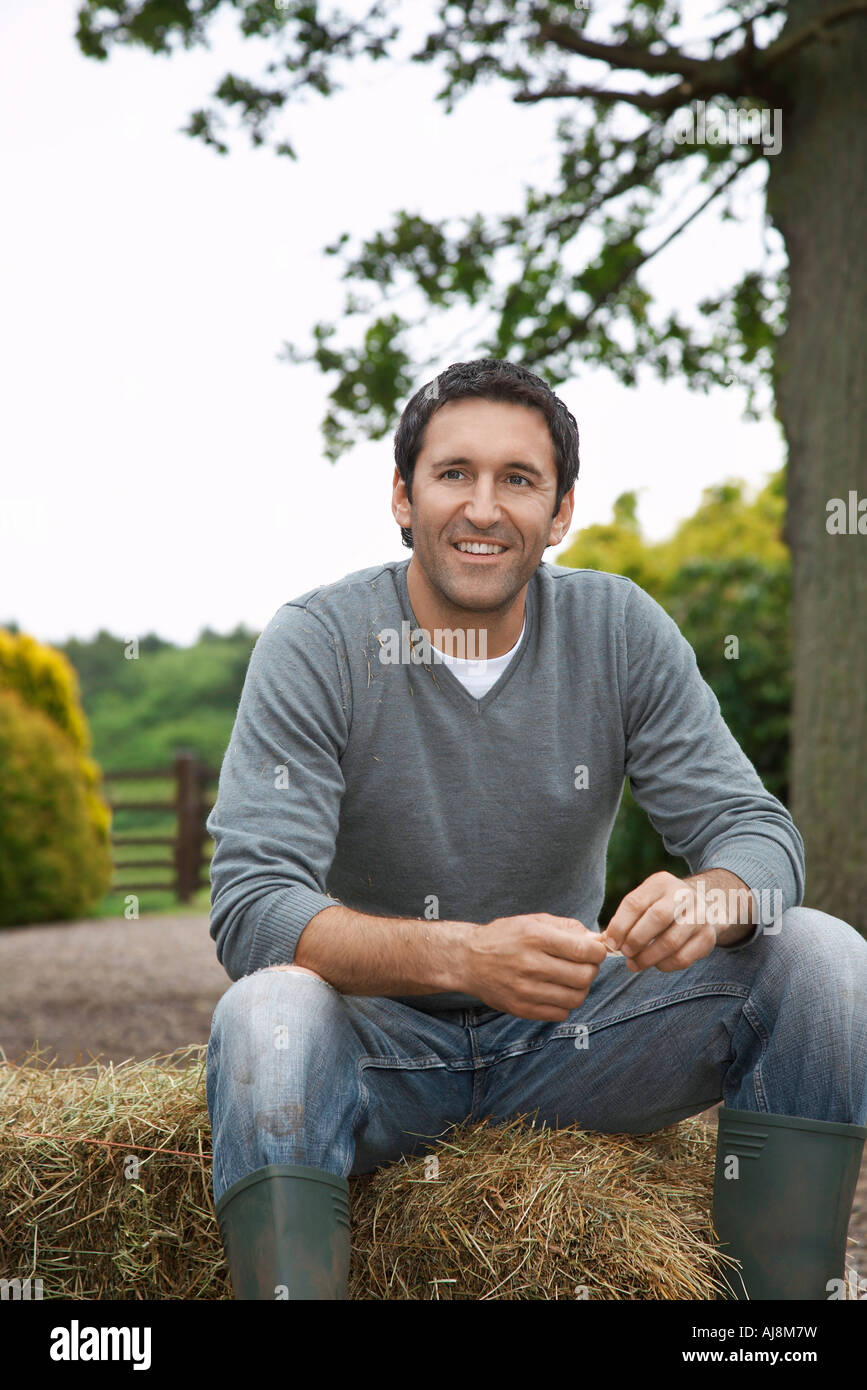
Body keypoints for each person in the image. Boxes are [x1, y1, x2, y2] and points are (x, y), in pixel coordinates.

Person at [205, 357, 867, 1301]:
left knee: (824, 957)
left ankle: (773, 1330)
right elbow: (254, 911)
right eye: (452, 474)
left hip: (575, 1046)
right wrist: (464, 957)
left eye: (518, 480)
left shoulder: (617, 628)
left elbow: (755, 831)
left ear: (558, 513)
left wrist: (711, 898)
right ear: (402, 496)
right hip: (378, 1054)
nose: (483, 508)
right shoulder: (318, 642)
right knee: (265, 1016)